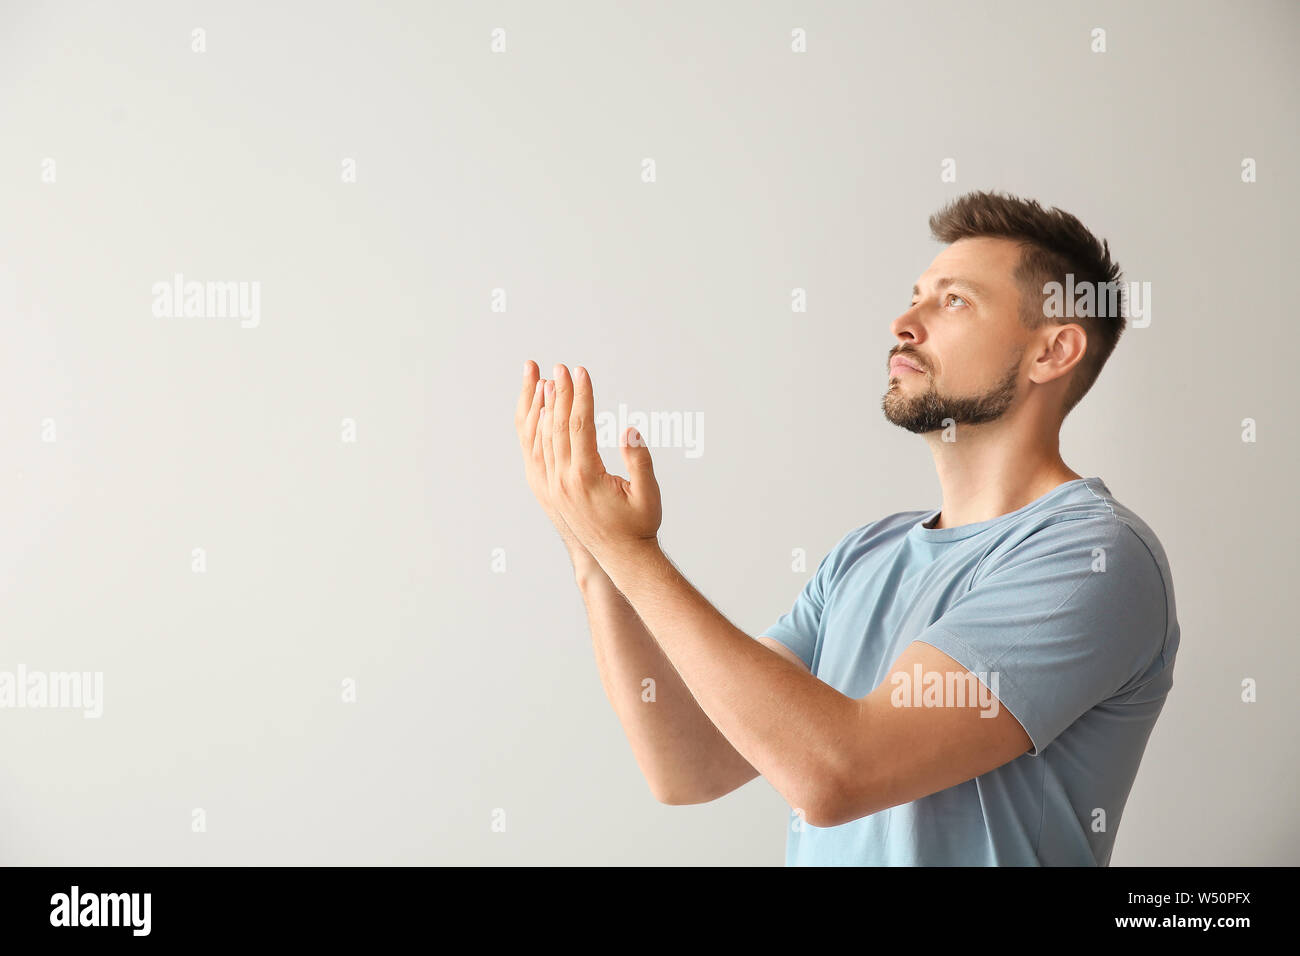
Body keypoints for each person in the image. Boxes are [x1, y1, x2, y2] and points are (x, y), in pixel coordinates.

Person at [512, 190, 1178, 865]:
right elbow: (690, 766)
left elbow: (837, 774)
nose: (904, 323)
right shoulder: (865, 554)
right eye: (915, 297)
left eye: (953, 301)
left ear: (1053, 352)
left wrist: (632, 553)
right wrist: (594, 554)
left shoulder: (1095, 559)